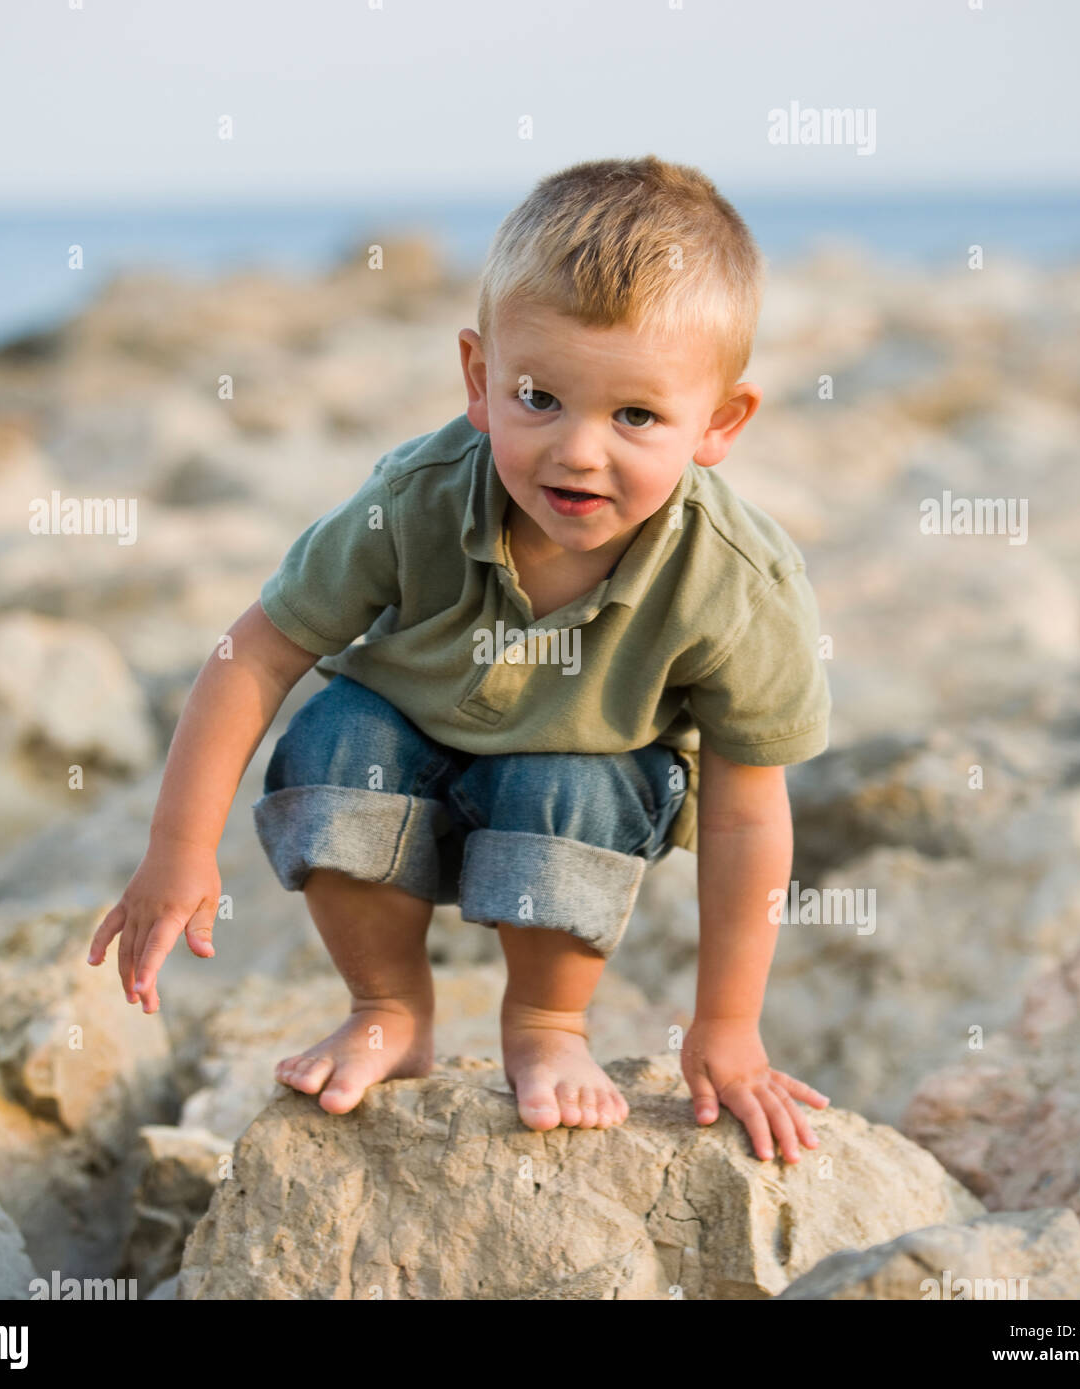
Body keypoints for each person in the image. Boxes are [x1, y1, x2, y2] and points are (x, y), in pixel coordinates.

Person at [88, 155, 833, 1162]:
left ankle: (545, 1026)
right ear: (480, 379)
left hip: (586, 800)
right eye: (540, 398)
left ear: (720, 424)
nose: (576, 449)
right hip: (409, 774)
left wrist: (728, 1028)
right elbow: (255, 651)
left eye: (636, 416)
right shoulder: (418, 495)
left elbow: (749, 810)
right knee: (334, 731)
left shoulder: (738, 581)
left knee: (561, 777)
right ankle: (389, 1009)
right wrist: (179, 848)